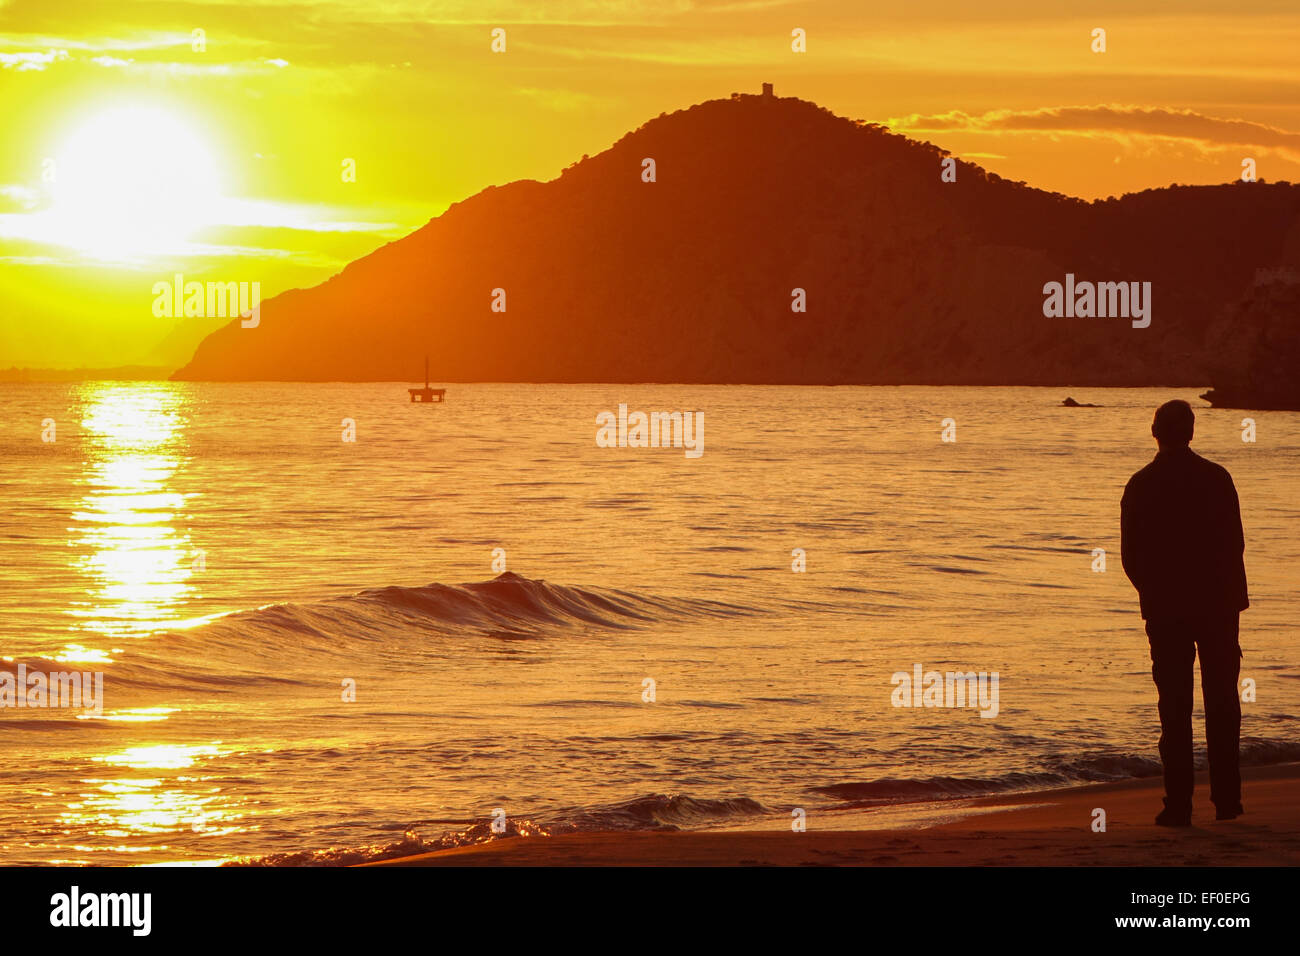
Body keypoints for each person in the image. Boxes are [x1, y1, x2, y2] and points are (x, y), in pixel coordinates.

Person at [1120, 399, 1248, 826]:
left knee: (1173, 708)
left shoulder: (1141, 483)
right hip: (1217, 606)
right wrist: (1229, 597)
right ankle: (1227, 801)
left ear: (1155, 432)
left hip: (1167, 609)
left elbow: (1131, 557)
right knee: (1223, 704)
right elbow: (1235, 544)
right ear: (1191, 433)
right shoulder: (1216, 478)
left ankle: (1178, 805)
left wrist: (1154, 595)